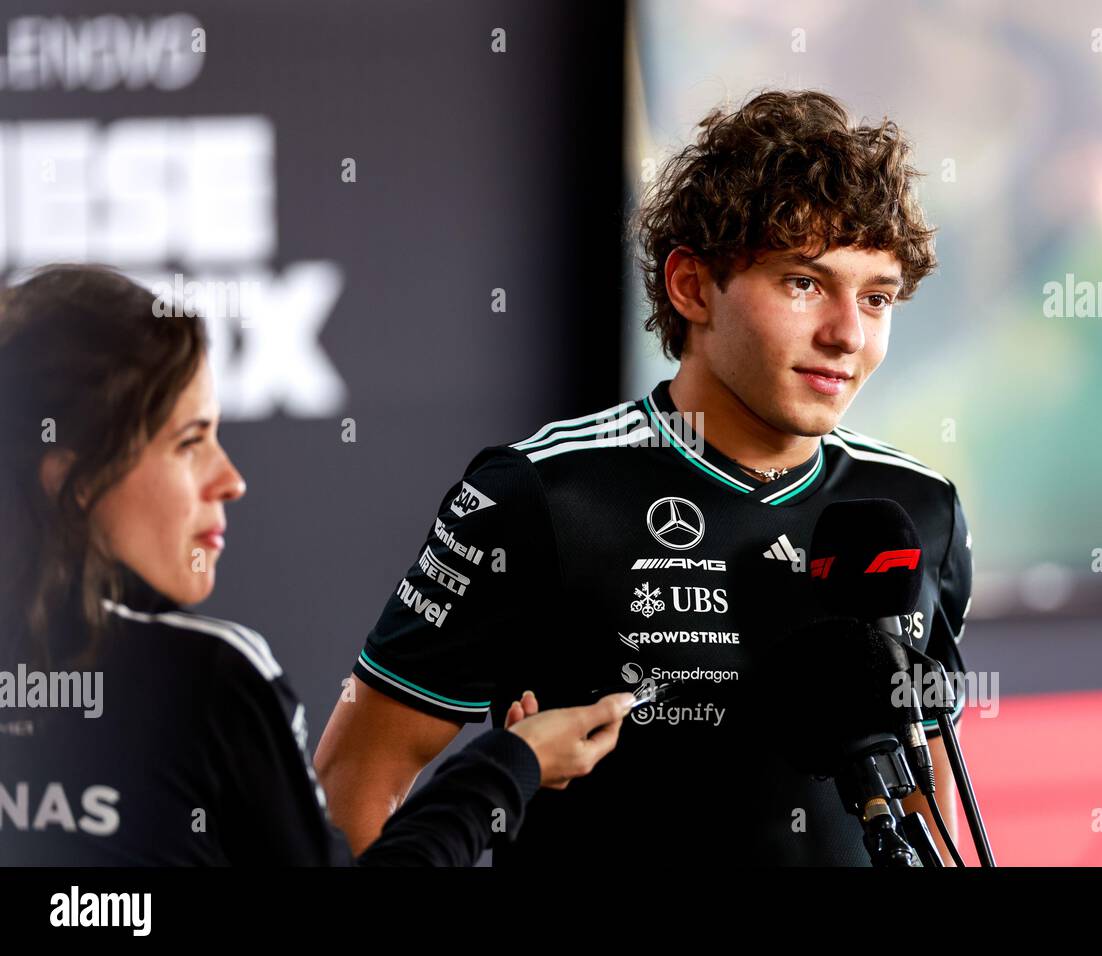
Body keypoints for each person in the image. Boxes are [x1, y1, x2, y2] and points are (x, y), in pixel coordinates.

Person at [316, 89, 975, 866]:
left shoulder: (918, 509)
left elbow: (925, 790)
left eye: (876, 297)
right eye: (804, 283)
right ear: (691, 287)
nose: (846, 334)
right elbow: (353, 786)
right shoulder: (540, 495)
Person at [0, 264, 633, 866]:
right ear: (71, 478)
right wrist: (508, 765)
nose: (230, 479)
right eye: (189, 443)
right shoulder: (211, 680)